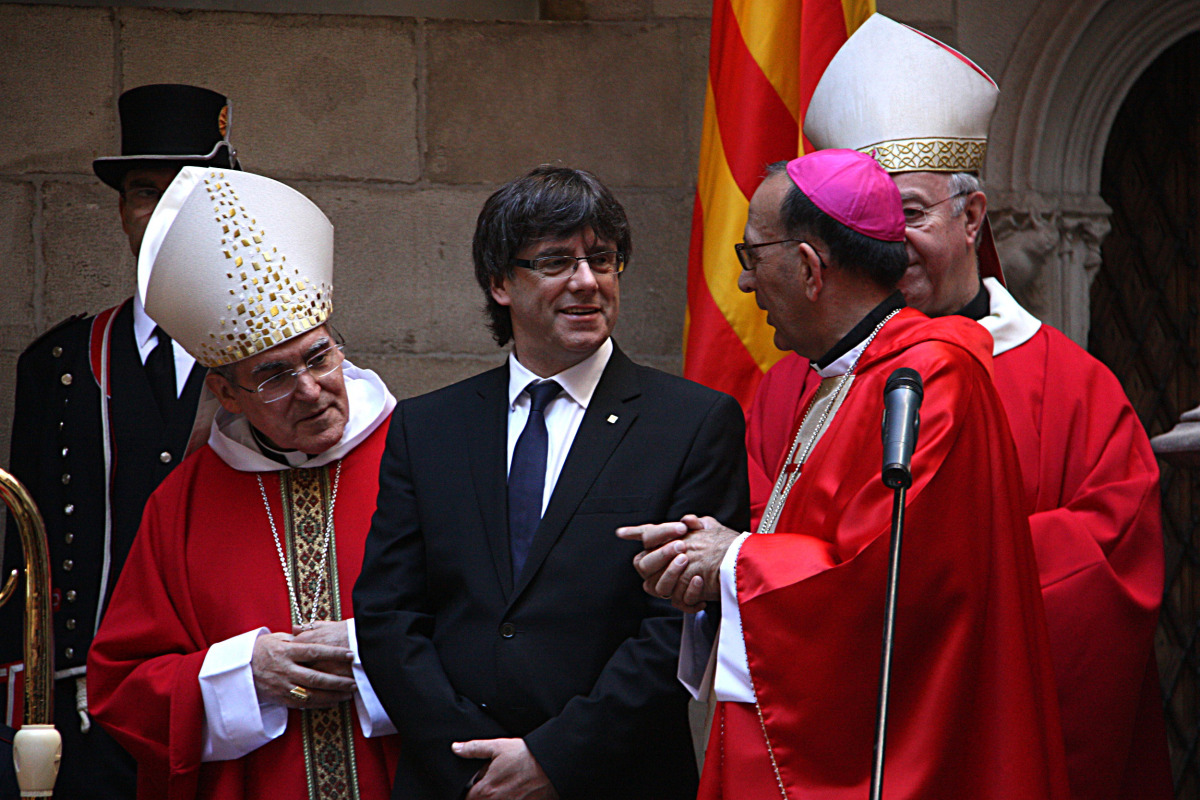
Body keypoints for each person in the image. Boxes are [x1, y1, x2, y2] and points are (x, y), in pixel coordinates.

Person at [748, 14, 1172, 799]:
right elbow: (771, 564)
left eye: (908, 214)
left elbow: (1113, 568)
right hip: (842, 754)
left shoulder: (1075, 389)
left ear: (972, 219)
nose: (884, 241)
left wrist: (933, 582)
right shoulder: (792, 390)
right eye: (860, 222)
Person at [621, 149, 1070, 798]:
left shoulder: (929, 378)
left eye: (752, 257)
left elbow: (892, 584)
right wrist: (713, 573)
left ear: (807, 268)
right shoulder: (847, 377)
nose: (745, 285)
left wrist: (735, 561)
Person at [353, 165, 749, 800]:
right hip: (456, 782)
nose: (587, 282)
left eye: (603, 259)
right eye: (557, 262)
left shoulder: (692, 423)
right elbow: (388, 615)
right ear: (500, 282)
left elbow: (679, 627)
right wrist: (469, 757)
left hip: (616, 778)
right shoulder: (426, 427)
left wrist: (551, 758)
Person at [86, 167, 400, 799]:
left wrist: (376, 653)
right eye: (275, 376)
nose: (310, 390)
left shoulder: (428, 454)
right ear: (225, 391)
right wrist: (241, 676)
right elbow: (121, 689)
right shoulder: (183, 505)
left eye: (319, 357)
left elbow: (507, 633)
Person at [0, 83, 241, 799]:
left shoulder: (276, 365)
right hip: (83, 718)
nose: (161, 210)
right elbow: (24, 560)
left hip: (229, 709)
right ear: (121, 209)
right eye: (144, 191)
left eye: (186, 191)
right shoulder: (59, 365)